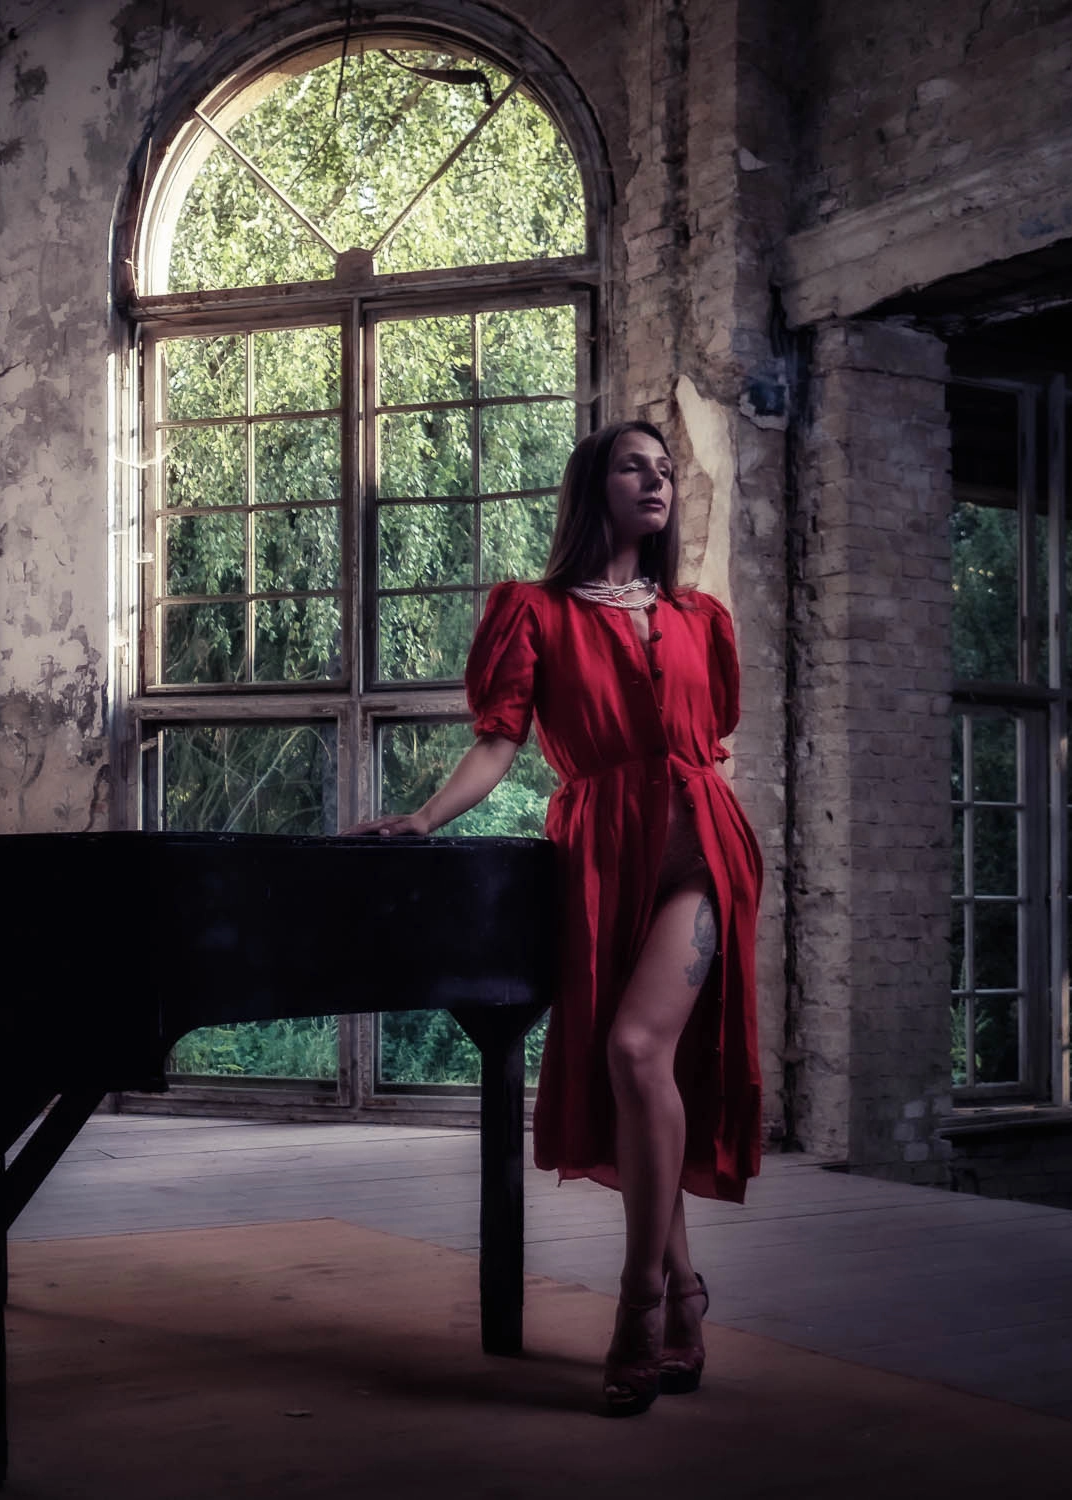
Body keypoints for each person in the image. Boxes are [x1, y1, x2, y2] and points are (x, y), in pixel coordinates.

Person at [345, 419, 764, 1417]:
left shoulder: (700, 616)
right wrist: (423, 817)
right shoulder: (529, 610)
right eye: (634, 465)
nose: (655, 481)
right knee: (634, 1071)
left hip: (700, 852)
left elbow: (709, 744)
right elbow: (498, 744)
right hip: (597, 855)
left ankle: (637, 1302)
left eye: (665, 470)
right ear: (593, 486)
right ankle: (687, 1298)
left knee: (632, 1050)